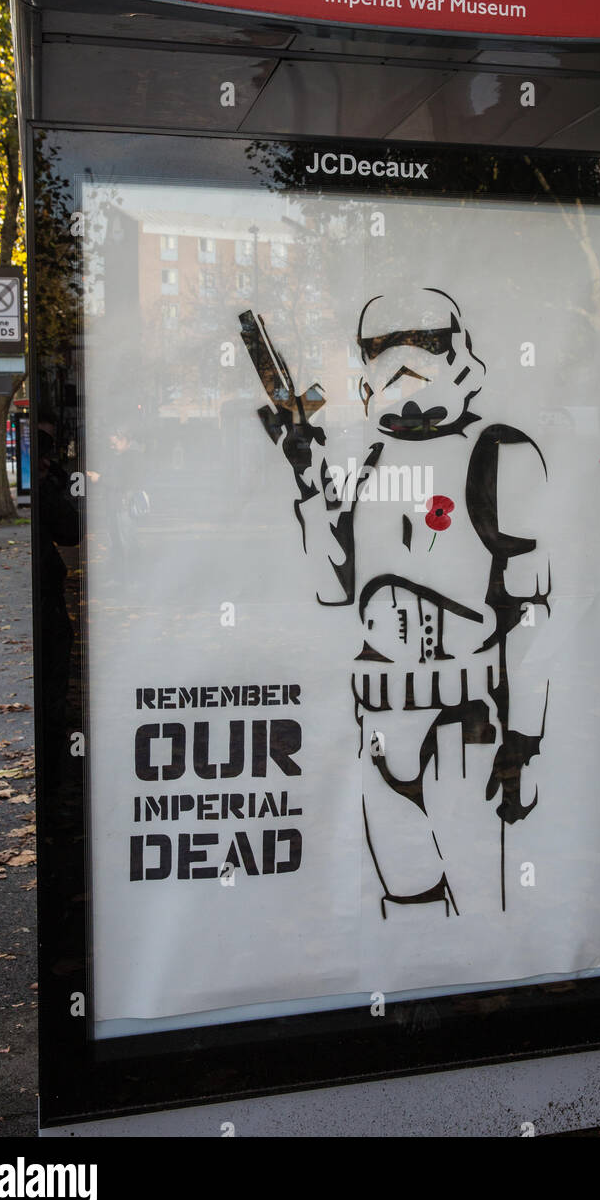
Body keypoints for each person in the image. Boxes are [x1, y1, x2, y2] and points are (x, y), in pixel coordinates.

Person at [241, 287, 550, 917]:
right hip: (382, 712)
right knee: (407, 893)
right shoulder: (367, 461)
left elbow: (532, 610)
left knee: (479, 897)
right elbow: (336, 588)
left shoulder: (501, 453)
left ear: (461, 354)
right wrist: (308, 481)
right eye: (379, 349)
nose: (401, 363)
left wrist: (526, 740)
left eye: (425, 343)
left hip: (470, 714)